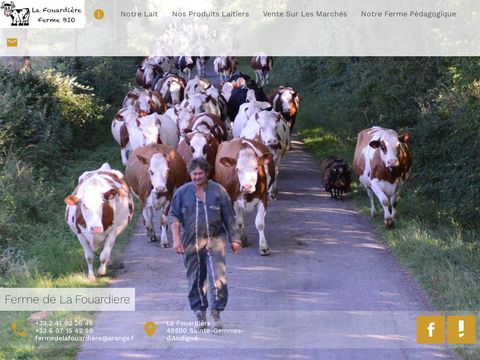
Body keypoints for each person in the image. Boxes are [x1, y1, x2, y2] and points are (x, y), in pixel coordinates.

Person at [168, 158, 241, 330]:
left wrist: (235, 239)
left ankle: (216, 312)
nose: (197, 177)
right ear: (190, 174)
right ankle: (200, 312)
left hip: (215, 240)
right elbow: (174, 217)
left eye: (200, 173)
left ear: (206, 173)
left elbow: (229, 216)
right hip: (191, 242)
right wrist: (176, 239)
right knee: (195, 278)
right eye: (194, 174)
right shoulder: (182, 193)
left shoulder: (218, 191)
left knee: (218, 277)